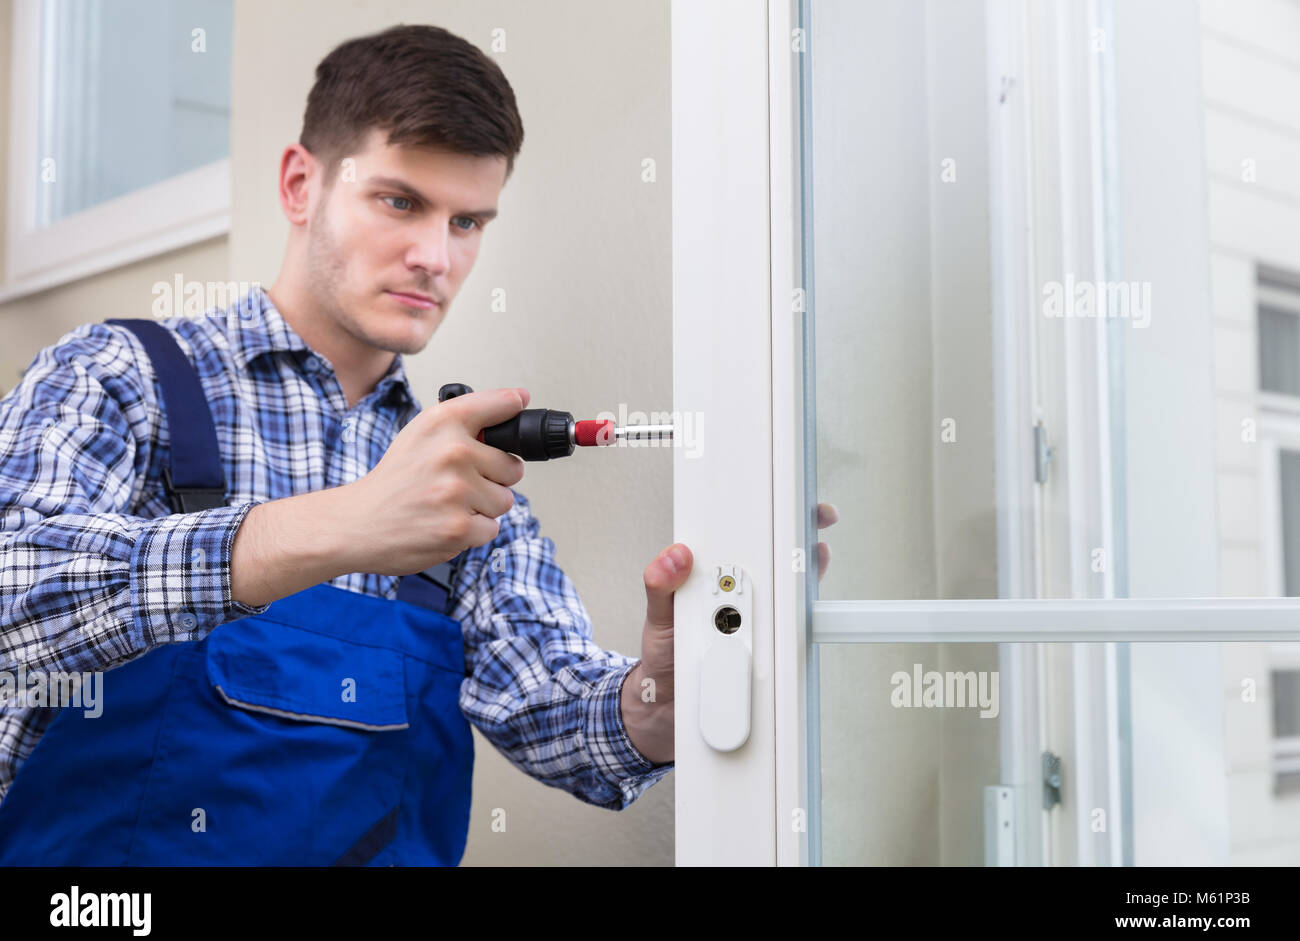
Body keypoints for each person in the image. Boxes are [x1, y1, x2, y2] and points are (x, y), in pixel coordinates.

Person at [0, 23, 835, 865]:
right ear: (300, 184)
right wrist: (346, 524)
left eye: (468, 221)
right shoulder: (118, 377)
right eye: (400, 201)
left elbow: (556, 710)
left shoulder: (459, 476)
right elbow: (15, 589)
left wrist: (664, 696)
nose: (435, 256)